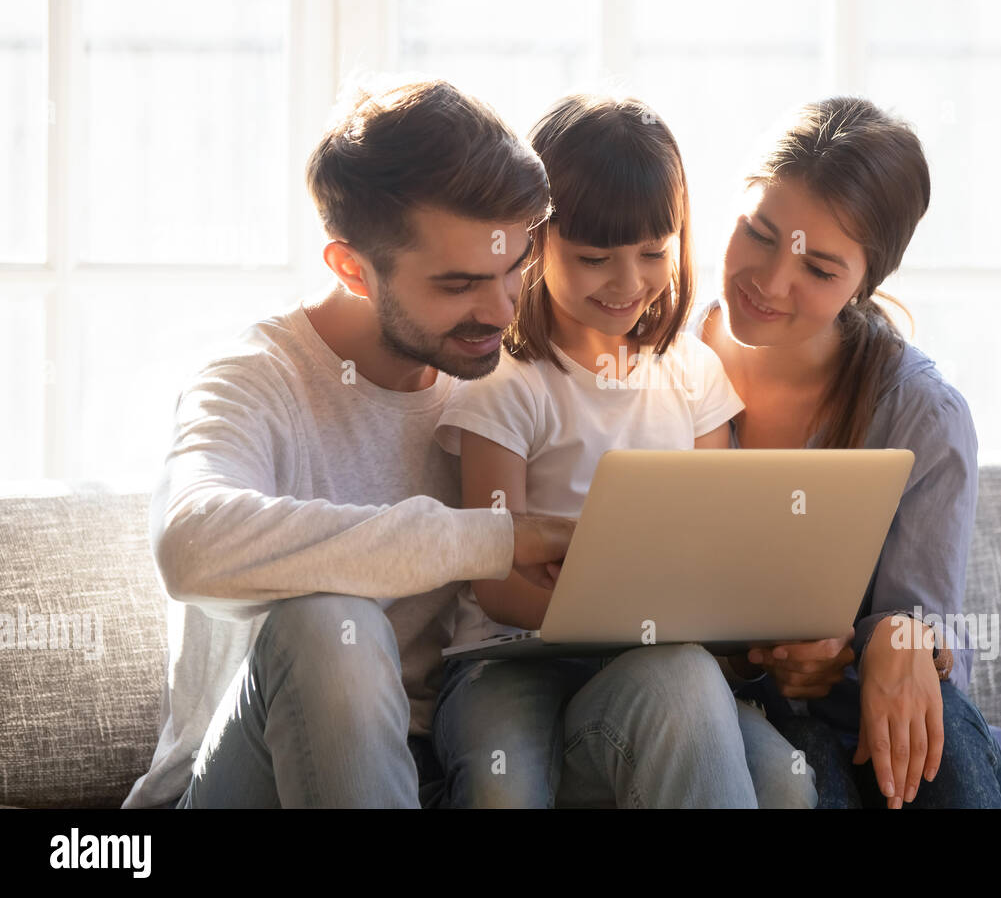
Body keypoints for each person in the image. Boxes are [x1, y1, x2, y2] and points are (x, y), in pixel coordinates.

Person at [122, 78, 575, 808]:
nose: (499, 309)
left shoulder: (499, 392)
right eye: (459, 283)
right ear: (351, 269)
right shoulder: (254, 380)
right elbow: (190, 543)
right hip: (247, 783)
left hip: (443, 766)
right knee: (331, 622)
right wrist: (494, 537)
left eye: (514, 266)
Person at [430, 94, 817, 808]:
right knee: (503, 789)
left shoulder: (692, 373)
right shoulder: (506, 385)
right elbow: (492, 575)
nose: (629, 283)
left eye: (653, 253)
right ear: (531, 244)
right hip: (511, 660)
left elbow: (723, 534)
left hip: (654, 656)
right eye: (592, 258)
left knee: (786, 787)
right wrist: (615, 604)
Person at [693, 96, 1001, 809]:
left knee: (919, 700)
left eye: (818, 269)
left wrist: (883, 641)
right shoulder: (656, 370)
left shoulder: (920, 413)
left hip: (878, 726)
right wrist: (759, 664)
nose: (770, 282)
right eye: (758, 232)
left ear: (863, 285)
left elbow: (930, 641)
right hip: (729, 715)